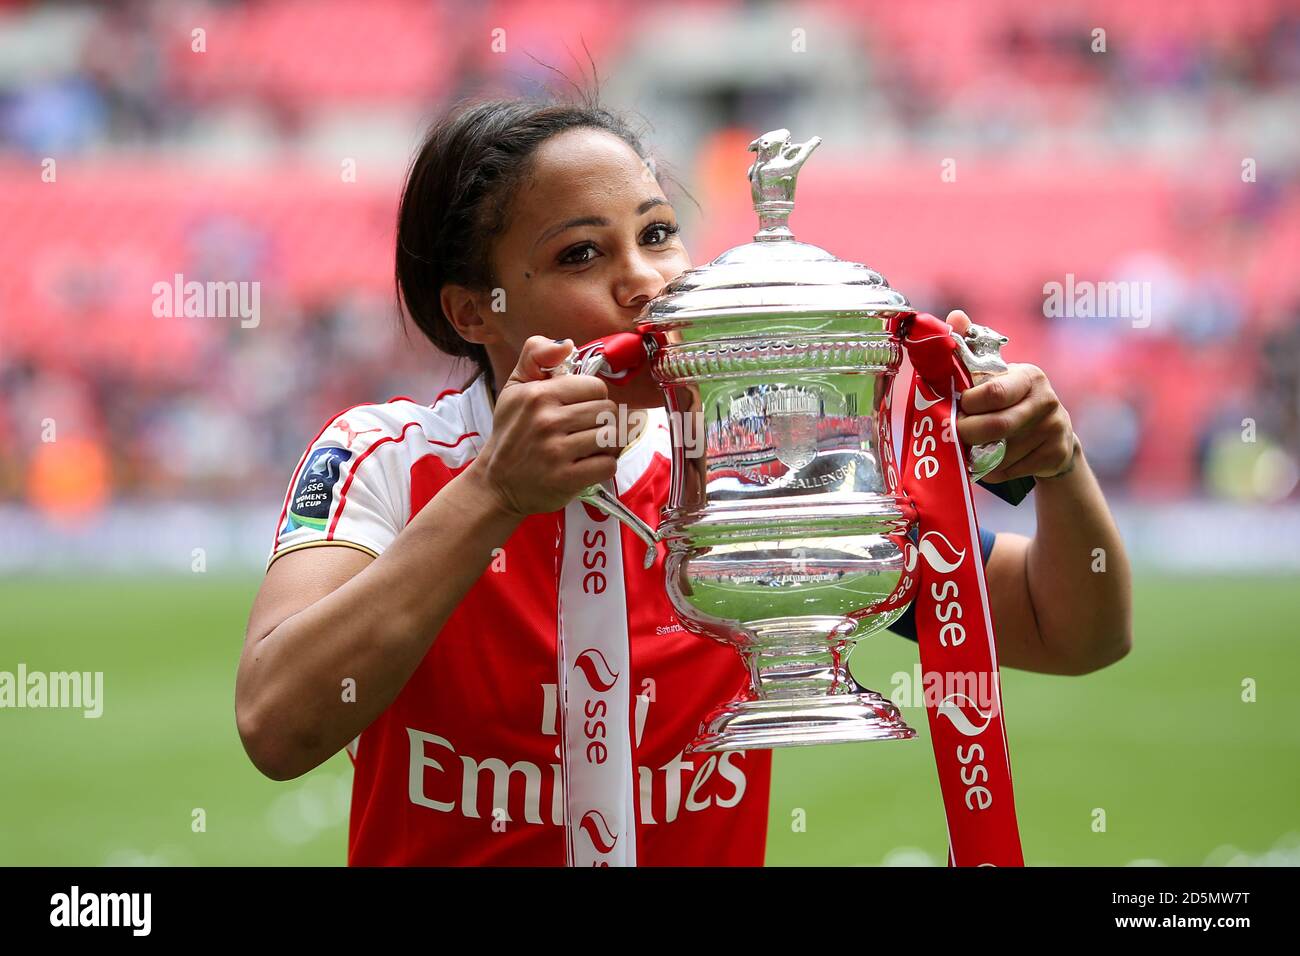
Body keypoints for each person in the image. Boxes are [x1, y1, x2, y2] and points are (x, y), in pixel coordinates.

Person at [234, 94, 1133, 866]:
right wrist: (495, 495)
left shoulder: (761, 457)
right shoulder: (386, 459)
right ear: (474, 311)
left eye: (658, 234)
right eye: (581, 254)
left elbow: (1072, 632)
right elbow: (278, 727)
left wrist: (1061, 467)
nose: (646, 283)